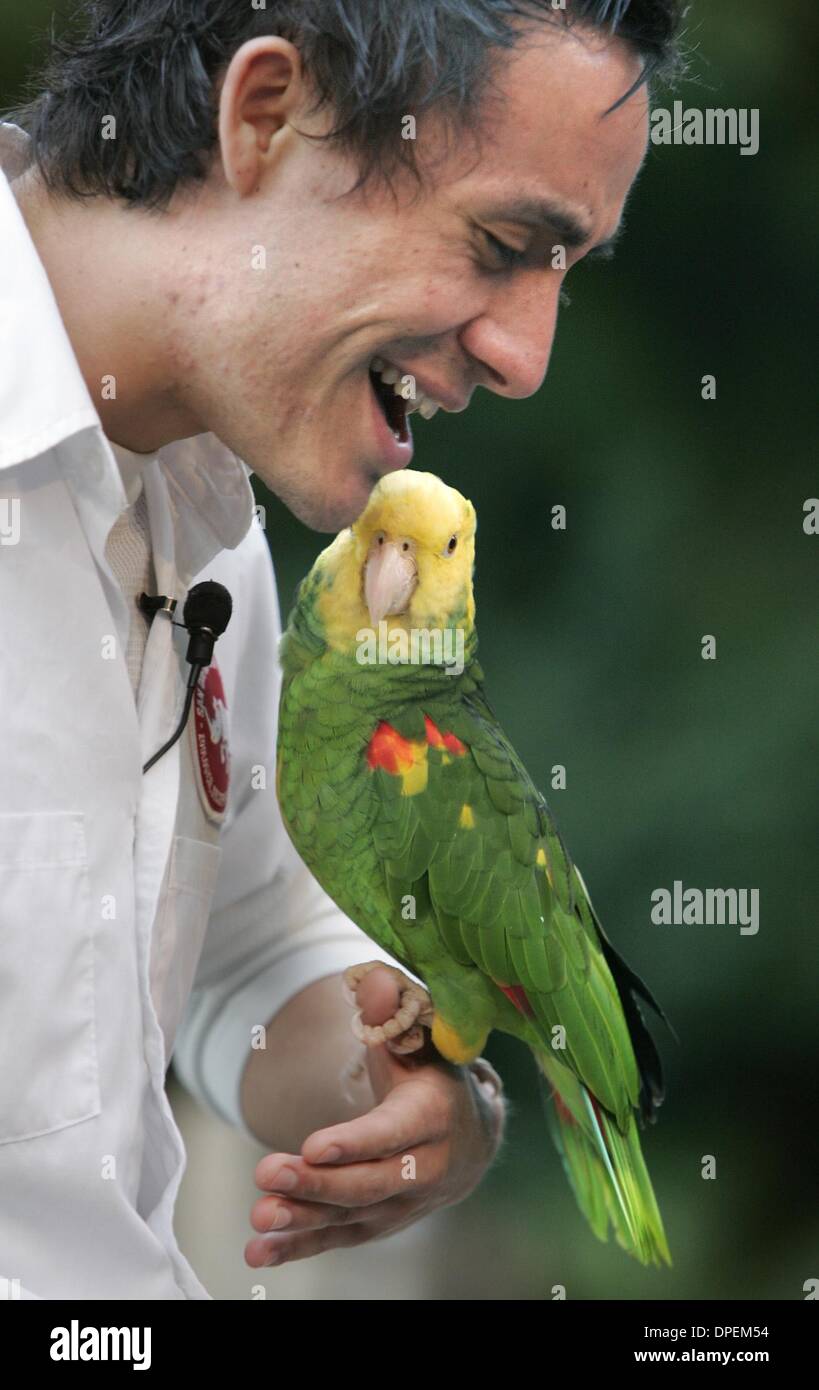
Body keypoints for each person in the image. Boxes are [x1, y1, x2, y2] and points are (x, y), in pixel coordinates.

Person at [0, 0, 682, 1298]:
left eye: (564, 273)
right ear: (266, 119)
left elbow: (250, 951)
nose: (528, 355)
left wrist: (418, 1094)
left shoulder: (224, 547)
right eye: (503, 243)